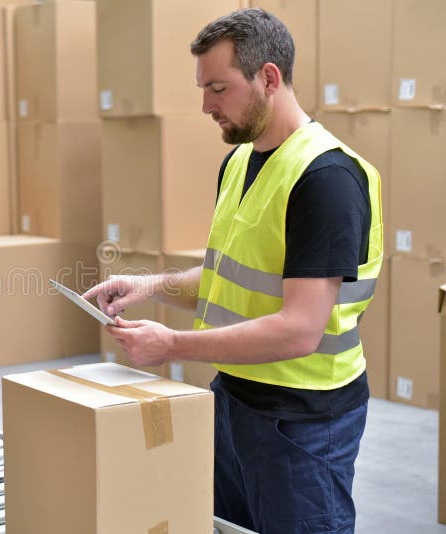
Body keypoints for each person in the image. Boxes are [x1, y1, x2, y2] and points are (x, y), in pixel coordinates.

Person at [83, 8, 382, 534]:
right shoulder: (239, 162)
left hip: (303, 422)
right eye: (203, 88)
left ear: (268, 78)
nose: (205, 106)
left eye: (218, 88)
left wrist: (172, 346)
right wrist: (148, 286)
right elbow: (229, 281)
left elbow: (300, 329)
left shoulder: (326, 178)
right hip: (234, 400)